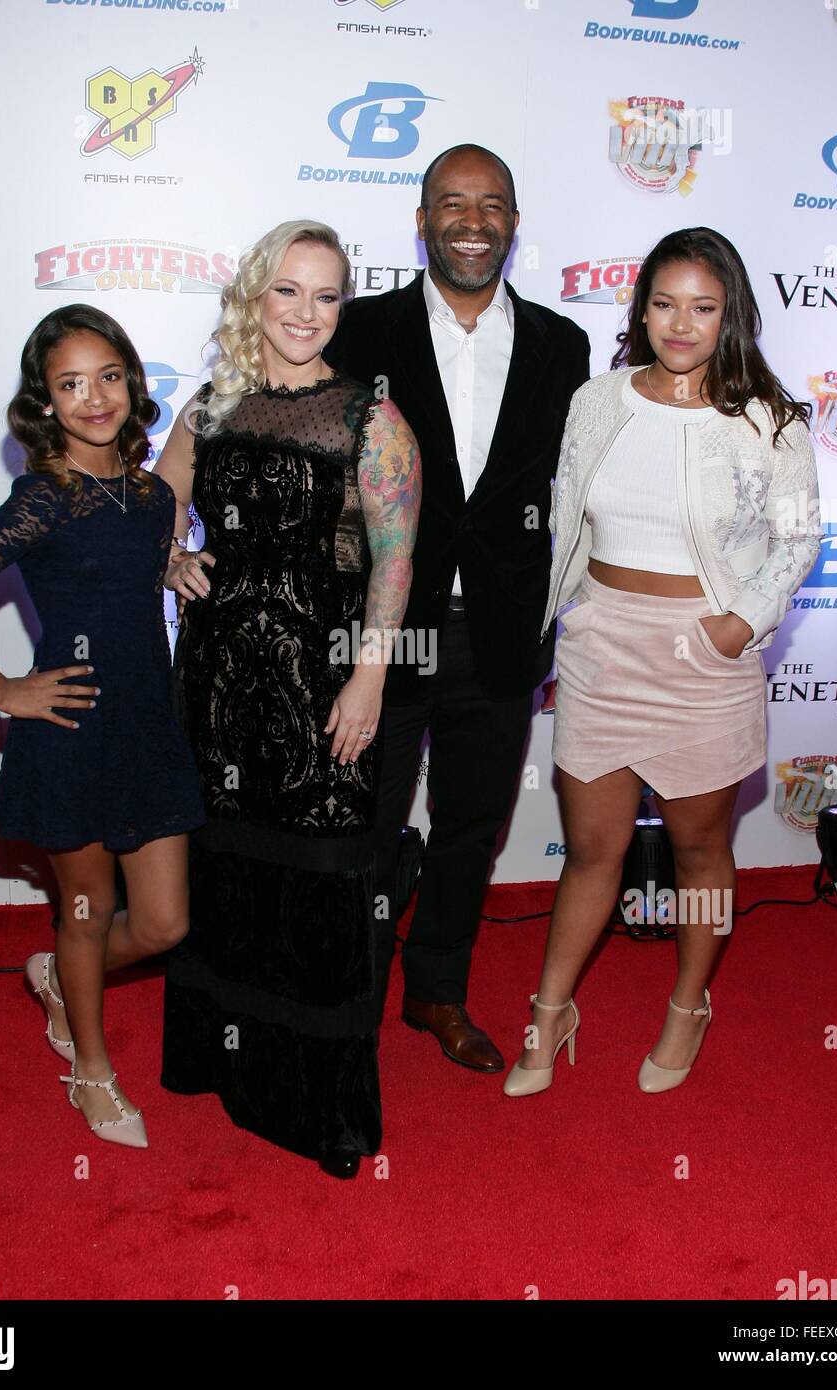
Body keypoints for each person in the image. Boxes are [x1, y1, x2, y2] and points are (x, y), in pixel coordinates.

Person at [503, 227, 822, 1099]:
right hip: (604, 644)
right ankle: (549, 1011)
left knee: (699, 850)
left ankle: (689, 1004)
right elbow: (567, 519)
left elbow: (798, 542)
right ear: (641, 309)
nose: (681, 324)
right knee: (593, 850)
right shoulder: (598, 400)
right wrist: (555, 622)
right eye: (664, 303)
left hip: (704, 656)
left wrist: (739, 623)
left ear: (732, 316)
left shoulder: (769, 421)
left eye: (704, 307)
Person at [0, 305, 205, 1148]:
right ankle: (94, 1073)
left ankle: (54, 981)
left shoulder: (148, 495)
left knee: (164, 924)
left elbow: (131, 564)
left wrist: (172, 564)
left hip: (148, 724)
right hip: (71, 732)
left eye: (108, 376)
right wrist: (3, 688)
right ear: (45, 402)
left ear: (131, 384)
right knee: (84, 911)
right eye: (70, 384)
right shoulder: (41, 499)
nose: (94, 397)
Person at [155, 221, 421, 1179]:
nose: (308, 314)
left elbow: (394, 561)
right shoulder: (212, 408)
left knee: (323, 875)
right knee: (225, 867)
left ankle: (321, 1109)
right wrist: (174, 557)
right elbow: (158, 501)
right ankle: (226, 1069)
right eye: (289, 292)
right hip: (221, 676)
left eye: (328, 296)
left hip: (324, 681)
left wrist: (369, 678)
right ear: (255, 297)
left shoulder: (369, 419)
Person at [323, 144, 591, 1072]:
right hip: (387, 629)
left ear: (514, 222)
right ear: (423, 218)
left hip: (506, 632)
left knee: (472, 828)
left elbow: (572, 486)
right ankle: (346, 1003)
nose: (471, 221)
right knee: (363, 826)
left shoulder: (564, 346)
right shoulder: (358, 330)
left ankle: (436, 993)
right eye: (451, 203)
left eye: (491, 204)